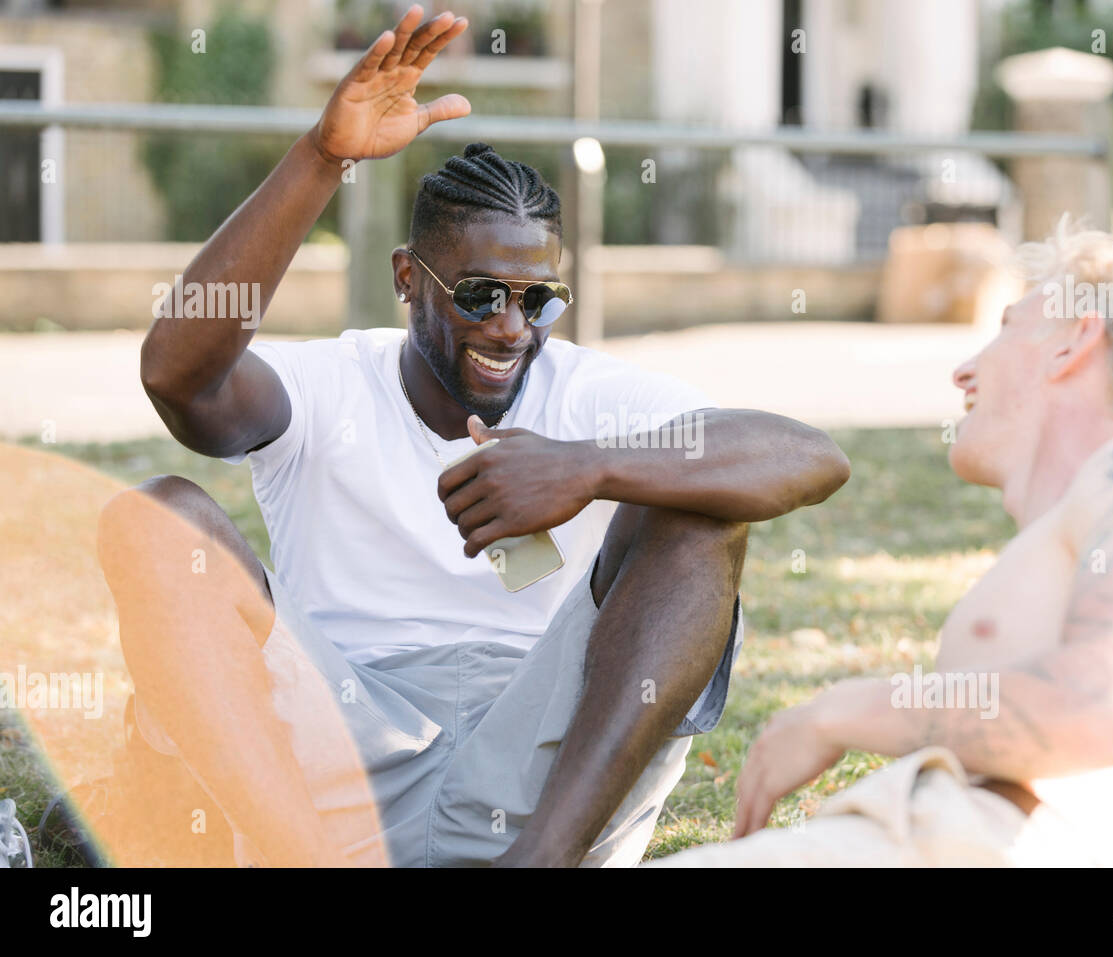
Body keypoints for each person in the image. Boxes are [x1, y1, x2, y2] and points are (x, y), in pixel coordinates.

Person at [98, 6, 850, 868]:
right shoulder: (335, 383)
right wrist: (321, 158)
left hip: (536, 775)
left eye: (539, 299)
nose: (512, 326)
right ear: (407, 279)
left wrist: (587, 469)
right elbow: (177, 378)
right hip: (336, 766)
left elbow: (812, 458)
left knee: (696, 507)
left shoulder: (594, 399)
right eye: (480, 293)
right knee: (157, 519)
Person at [652, 220, 1113, 867]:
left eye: (1006, 327)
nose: (963, 371)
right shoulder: (1107, 517)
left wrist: (836, 711)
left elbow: (1096, 707)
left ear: (1074, 342)